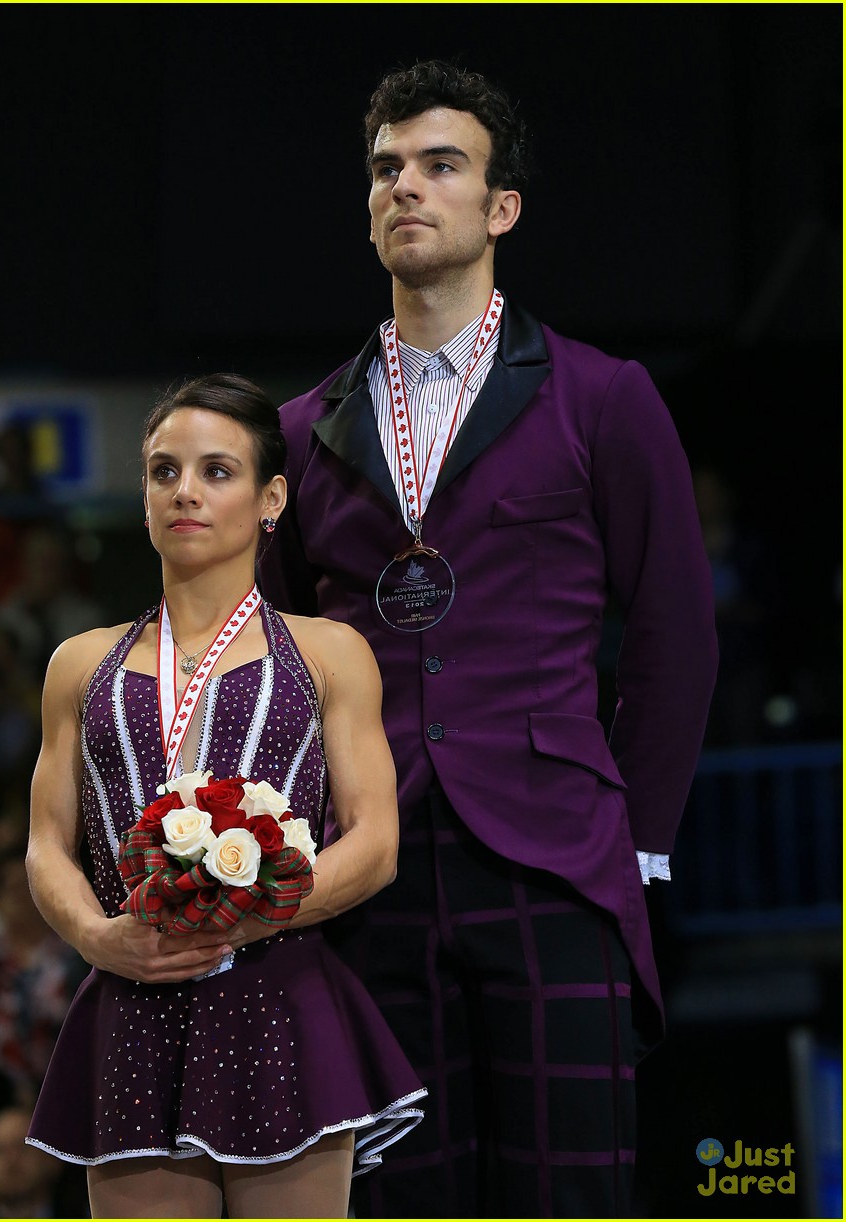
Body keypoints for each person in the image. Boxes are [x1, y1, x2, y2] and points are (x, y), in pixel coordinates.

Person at [259, 60, 718, 1218]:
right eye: (385, 170)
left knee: (572, 1195)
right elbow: (272, 654)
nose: (405, 187)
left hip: (556, 859)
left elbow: (672, 631)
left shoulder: (604, 396)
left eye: (439, 165)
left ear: (500, 207)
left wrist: (641, 843)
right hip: (369, 868)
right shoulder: (303, 428)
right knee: (407, 1202)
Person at [24, 373, 426, 1219]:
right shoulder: (77, 663)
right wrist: (101, 936)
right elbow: (47, 847)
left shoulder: (329, 652)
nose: (185, 493)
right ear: (142, 499)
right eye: (164, 472)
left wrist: (253, 916)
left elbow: (375, 842)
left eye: (216, 471)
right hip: (132, 998)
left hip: (282, 1000)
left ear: (271, 497)